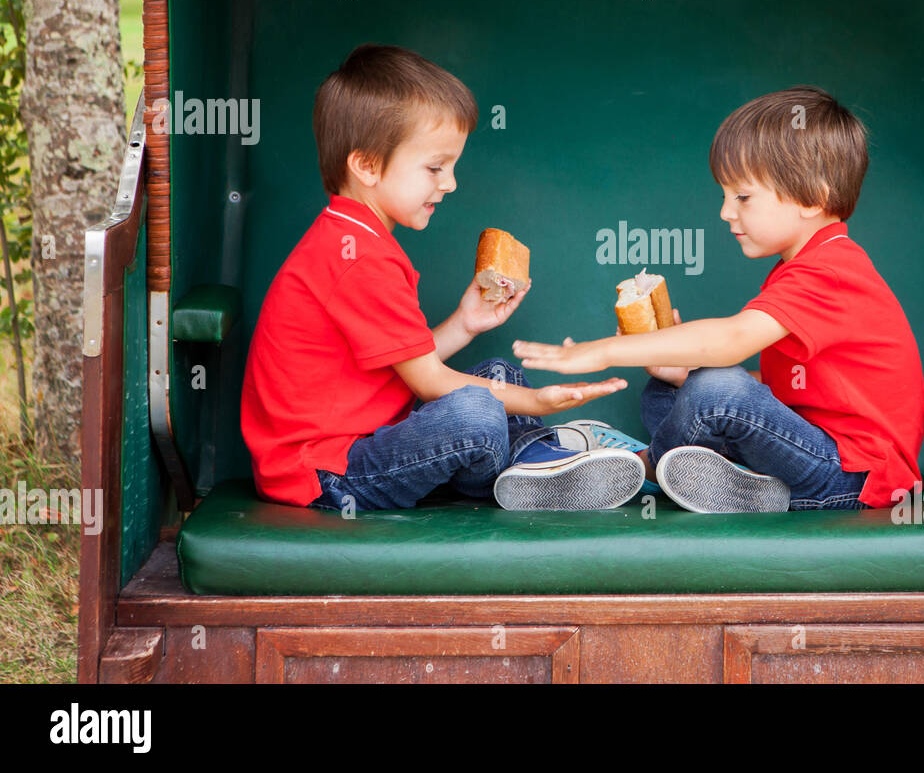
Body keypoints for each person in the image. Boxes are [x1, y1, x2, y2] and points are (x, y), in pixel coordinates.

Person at [240, 43, 644, 513]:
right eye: (435, 168)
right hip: (327, 472)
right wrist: (536, 402)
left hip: (372, 433)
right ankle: (541, 454)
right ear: (367, 165)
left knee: (496, 376)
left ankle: (539, 460)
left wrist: (465, 323)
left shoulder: (355, 235)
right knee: (475, 410)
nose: (449, 183)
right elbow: (429, 382)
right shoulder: (356, 256)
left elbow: (401, 366)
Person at [513, 86, 924, 513]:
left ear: (813, 196)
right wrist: (680, 373)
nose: (726, 212)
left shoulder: (831, 270)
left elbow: (733, 338)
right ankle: (731, 482)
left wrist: (602, 352)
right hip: (811, 450)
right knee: (668, 390)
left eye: (743, 197)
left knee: (717, 387)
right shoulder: (804, 265)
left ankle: (636, 469)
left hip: (852, 476)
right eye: (726, 195)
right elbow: (787, 394)